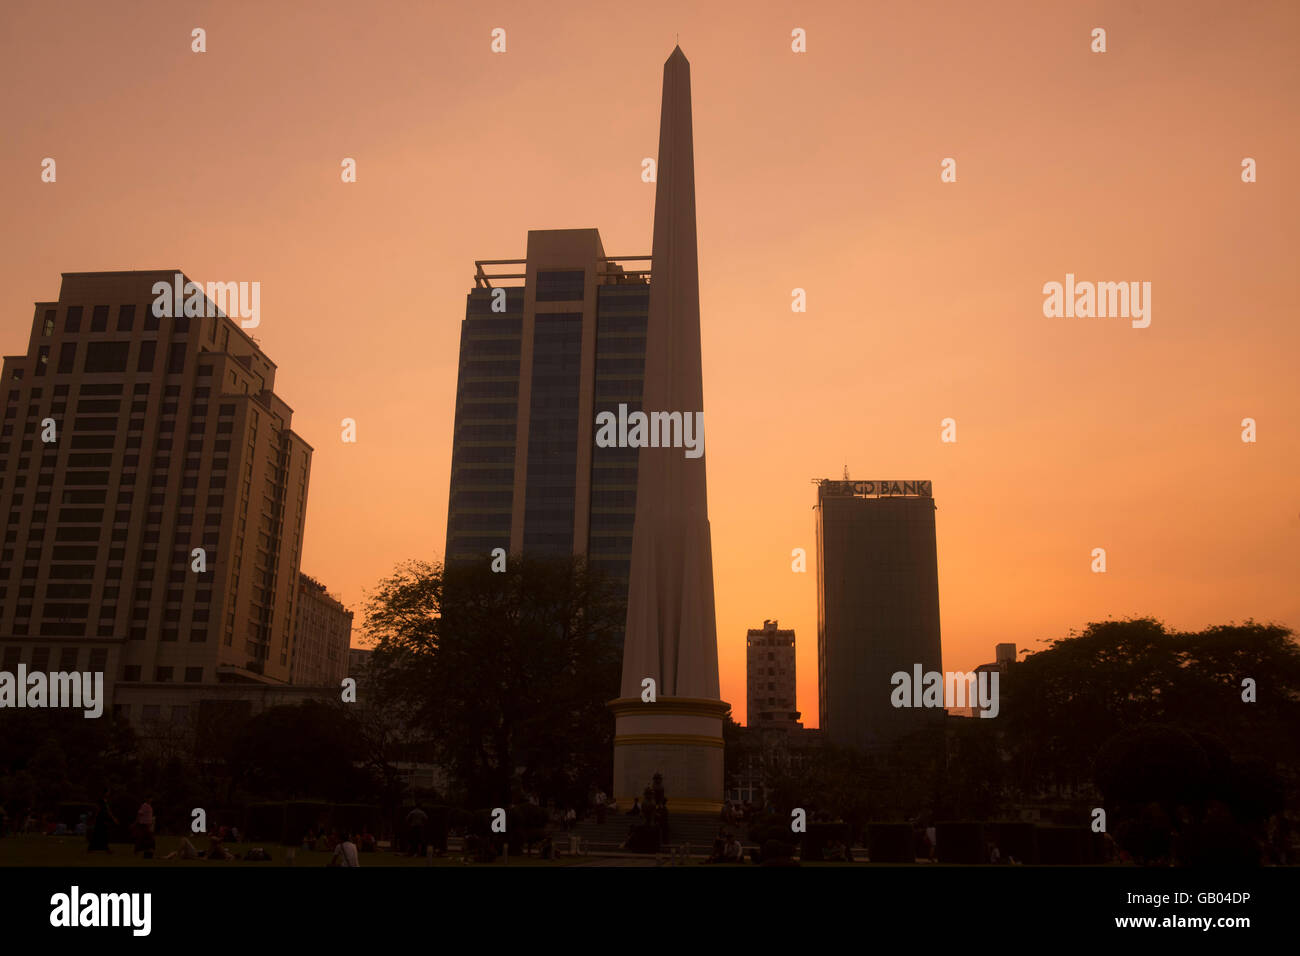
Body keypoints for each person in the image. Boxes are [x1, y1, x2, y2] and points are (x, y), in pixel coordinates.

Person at [88, 788, 115, 853]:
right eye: (108, 792)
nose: (109, 794)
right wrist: (95, 818)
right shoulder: (101, 800)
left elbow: (107, 811)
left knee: (102, 834)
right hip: (100, 820)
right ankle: (101, 848)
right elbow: (98, 809)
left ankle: (101, 848)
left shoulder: (105, 801)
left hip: (103, 819)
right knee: (100, 833)